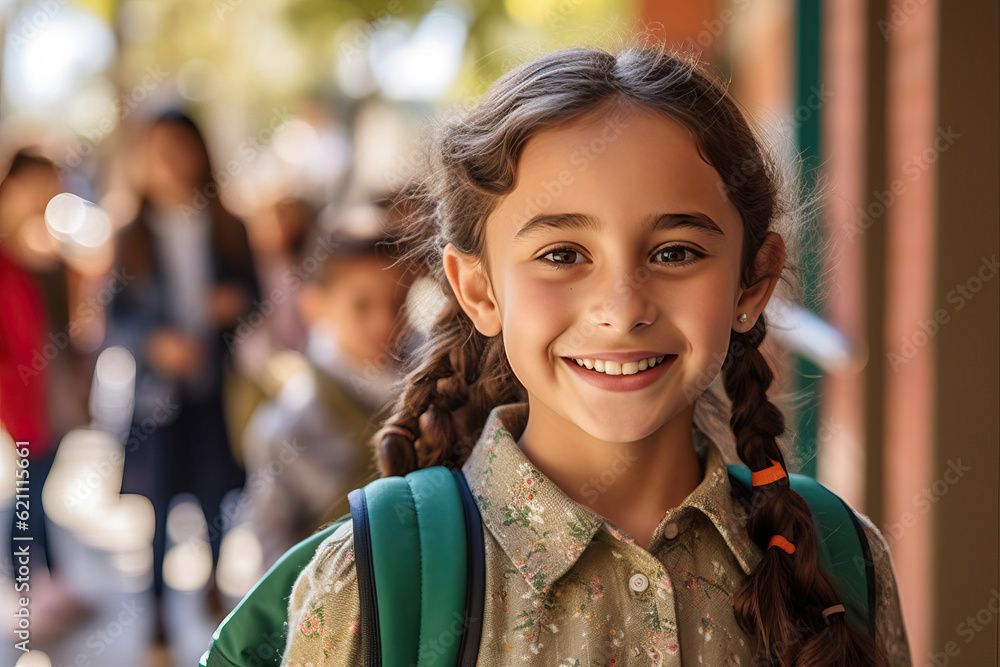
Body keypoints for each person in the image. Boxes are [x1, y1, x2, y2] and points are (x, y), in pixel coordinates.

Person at [282, 45, 911, 665]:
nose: (622, 308)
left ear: (753, 283)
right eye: (562, 255)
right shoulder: (368, 585)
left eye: (675, 252)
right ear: (479, 289)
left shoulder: (840, 559)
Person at [102, 111, 260, 632]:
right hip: (157, 399)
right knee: (159, 507)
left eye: (180, 147)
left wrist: (232, 302)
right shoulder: (130, 234)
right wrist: (154, 342)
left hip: (217, 392)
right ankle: (155, 616)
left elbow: (255, 296)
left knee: (218, 499)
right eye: (157, 150)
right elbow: (113, 319)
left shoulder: (227, 223)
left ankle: (214, 588)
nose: (169, 161)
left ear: (201, 153)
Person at [241, 202, 411, 570]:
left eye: (398, 301)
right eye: (362, 305)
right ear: (314, 306)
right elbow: (274, 551)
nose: (386, 321)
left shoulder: (439, 383)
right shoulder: (286, 424)